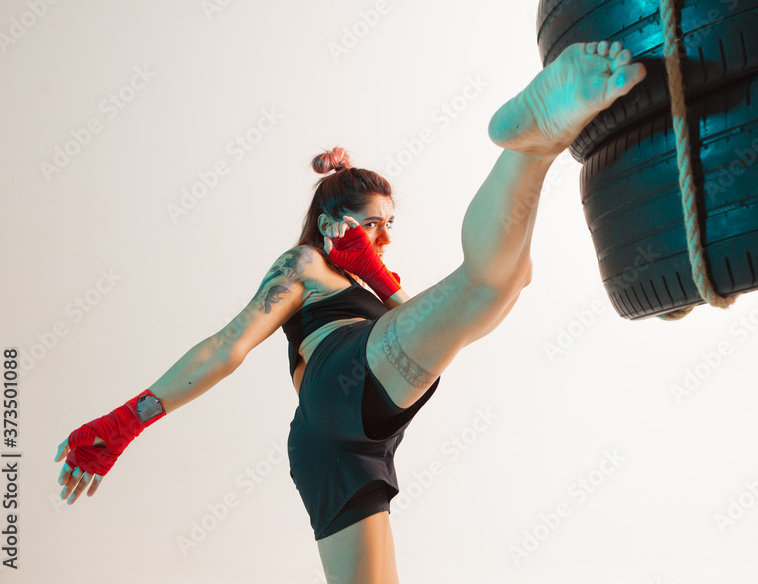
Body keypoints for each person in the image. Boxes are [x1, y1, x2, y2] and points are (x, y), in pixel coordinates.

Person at [54, 40, 646, 583]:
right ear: (334, 221)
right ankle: (533, 145)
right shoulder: (305, 266)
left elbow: (428, 327)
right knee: (491, 286)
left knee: (506, 285)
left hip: (344, 442)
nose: (384, 237)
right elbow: (228, 345)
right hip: (341, 386)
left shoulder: (363, 275)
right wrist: (127, 420)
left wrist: (374, 270)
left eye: (390, 226)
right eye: (372, 225)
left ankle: (535, 144)